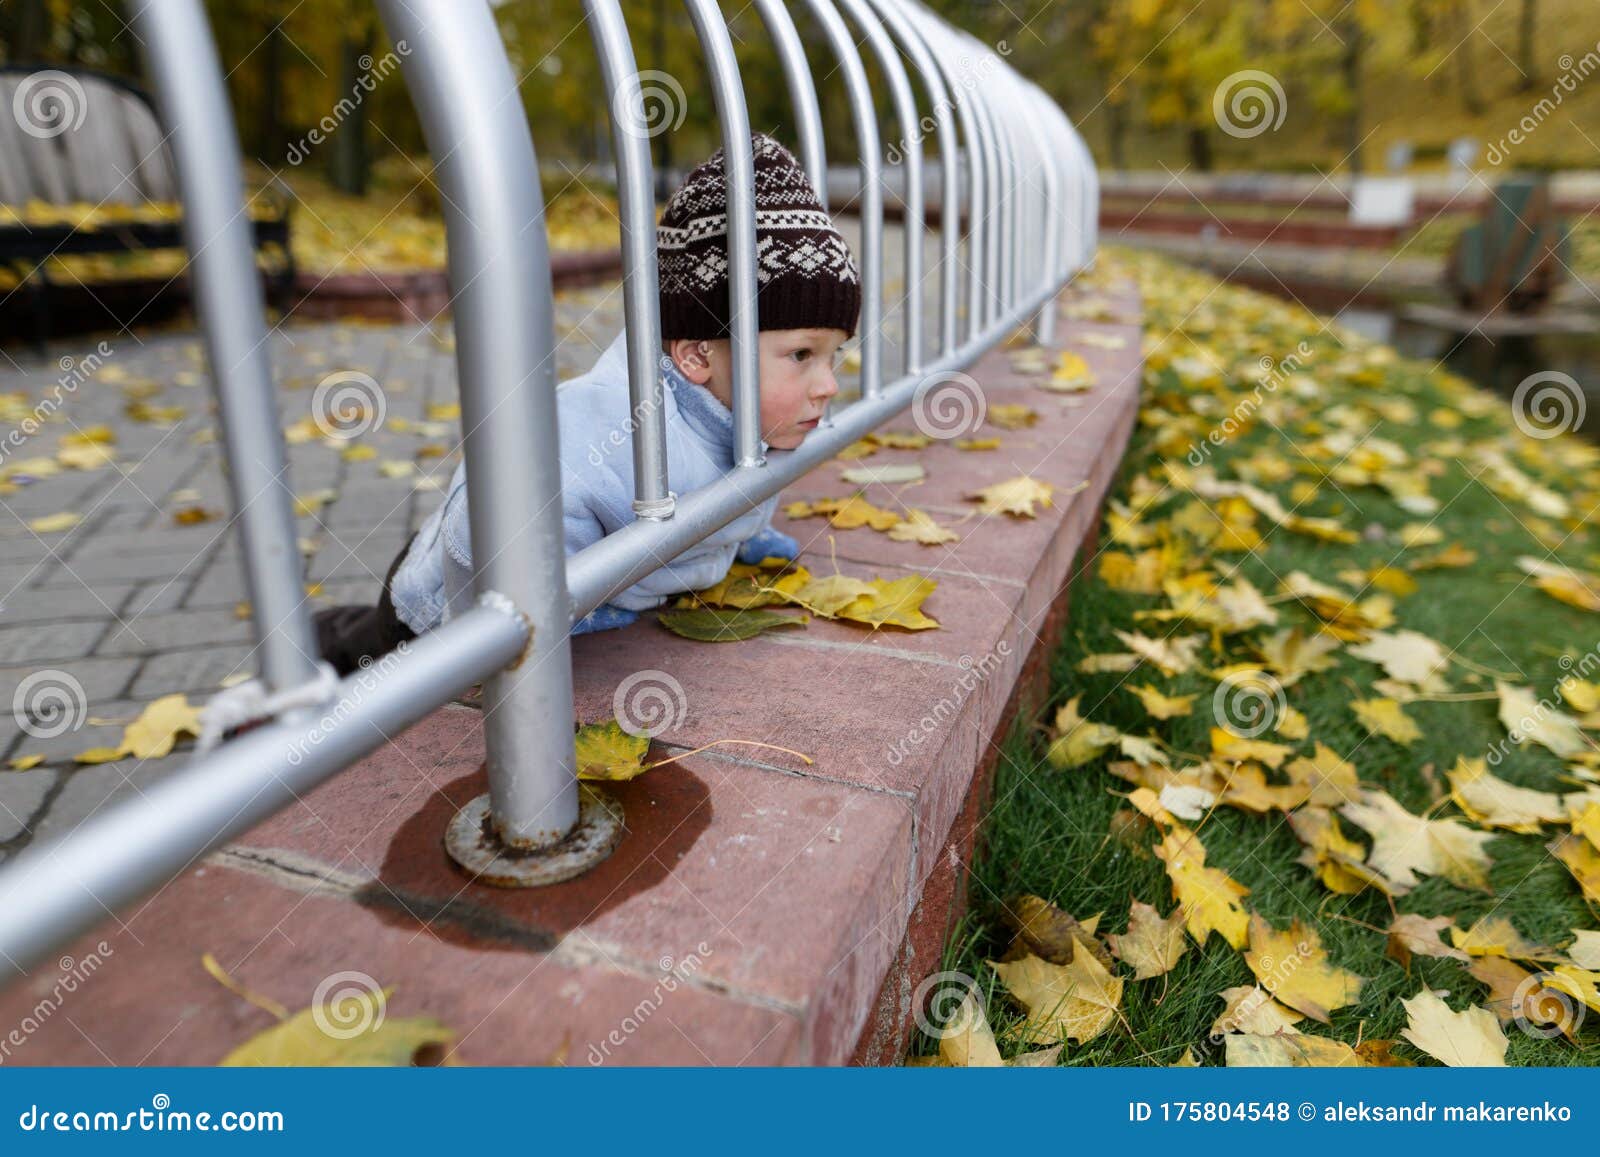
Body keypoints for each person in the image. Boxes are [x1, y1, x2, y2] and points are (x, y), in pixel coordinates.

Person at [313, 132, 861, 675]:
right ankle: (310, 652)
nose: (829, 385)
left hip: (619, 580)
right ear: (698, 355)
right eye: (802, 355)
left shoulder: (754, 416)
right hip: (437, 611)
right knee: (371, 663)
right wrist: (560, 610)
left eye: (833, 356)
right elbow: (480, 534)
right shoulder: (610, 437)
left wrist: (739, 531)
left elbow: (732, 476)